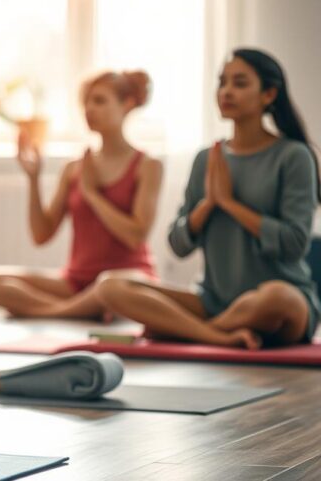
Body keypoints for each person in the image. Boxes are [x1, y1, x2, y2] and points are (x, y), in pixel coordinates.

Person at [96, 49, 321, 349]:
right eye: (222, 82)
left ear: (269, 94)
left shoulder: (294, 156)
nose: (227, 91)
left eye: (240, 83)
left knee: (276, 297)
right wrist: (208, 206)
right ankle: (219, 335)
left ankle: (190, 331)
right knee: (110, 286)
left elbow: (294, 243)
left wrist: (230, 204)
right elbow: (178, 244)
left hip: (280, 304)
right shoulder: (206, 159)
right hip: (213, 301)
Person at [0, 71, 162, 320]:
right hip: (75, 282)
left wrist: (92, 194)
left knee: (108, 287)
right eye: (87, 103)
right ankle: (77, 311)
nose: (89, 109)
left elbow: (136, 236)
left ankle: (64, 310)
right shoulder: (74, 168)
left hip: (124, 279)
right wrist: (33, 179)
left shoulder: (147, 165)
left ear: (127, 105)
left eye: (100, 101)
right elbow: (42, 235)